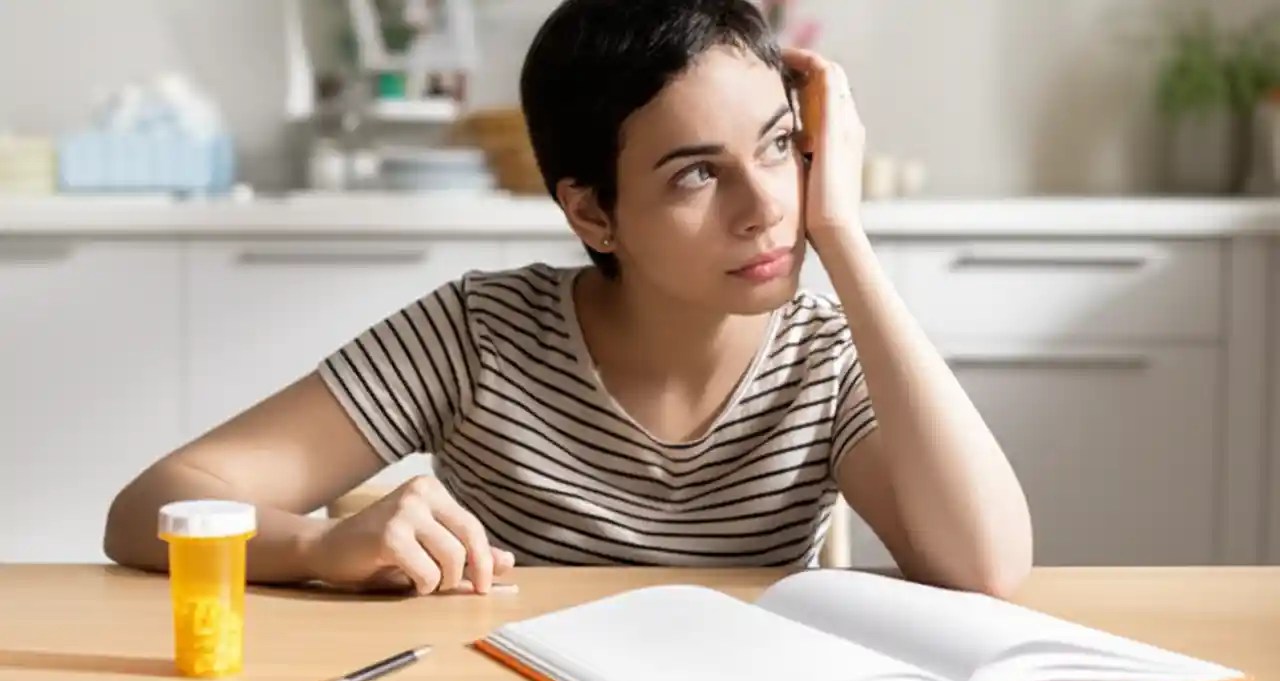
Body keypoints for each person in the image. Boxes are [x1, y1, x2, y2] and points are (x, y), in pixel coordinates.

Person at [104, 0, 1033, 598]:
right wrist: (313, 548)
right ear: (593, 212)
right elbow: (152, 505)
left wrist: (846, 238)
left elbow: (987, 568)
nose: (766, 210)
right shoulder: (479, 335)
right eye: (696, 176)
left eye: (779, 147)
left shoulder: (827, 356)